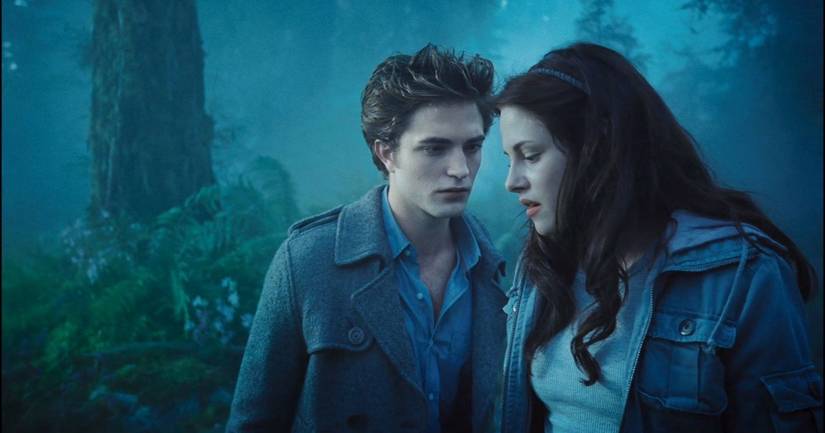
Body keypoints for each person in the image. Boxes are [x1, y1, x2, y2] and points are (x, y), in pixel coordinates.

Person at [495, 42, 822, 433]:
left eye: (530, 155)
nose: (511, 182)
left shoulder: (741, 273)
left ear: (598, 145)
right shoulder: (542, 268)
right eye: (509, 159)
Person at [226, 43, 507, 433]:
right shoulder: (309, 260)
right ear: (386, 152)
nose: (460, 168)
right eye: (435, 148)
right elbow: (254, 421)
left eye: (472, 147)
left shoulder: (494, 267)